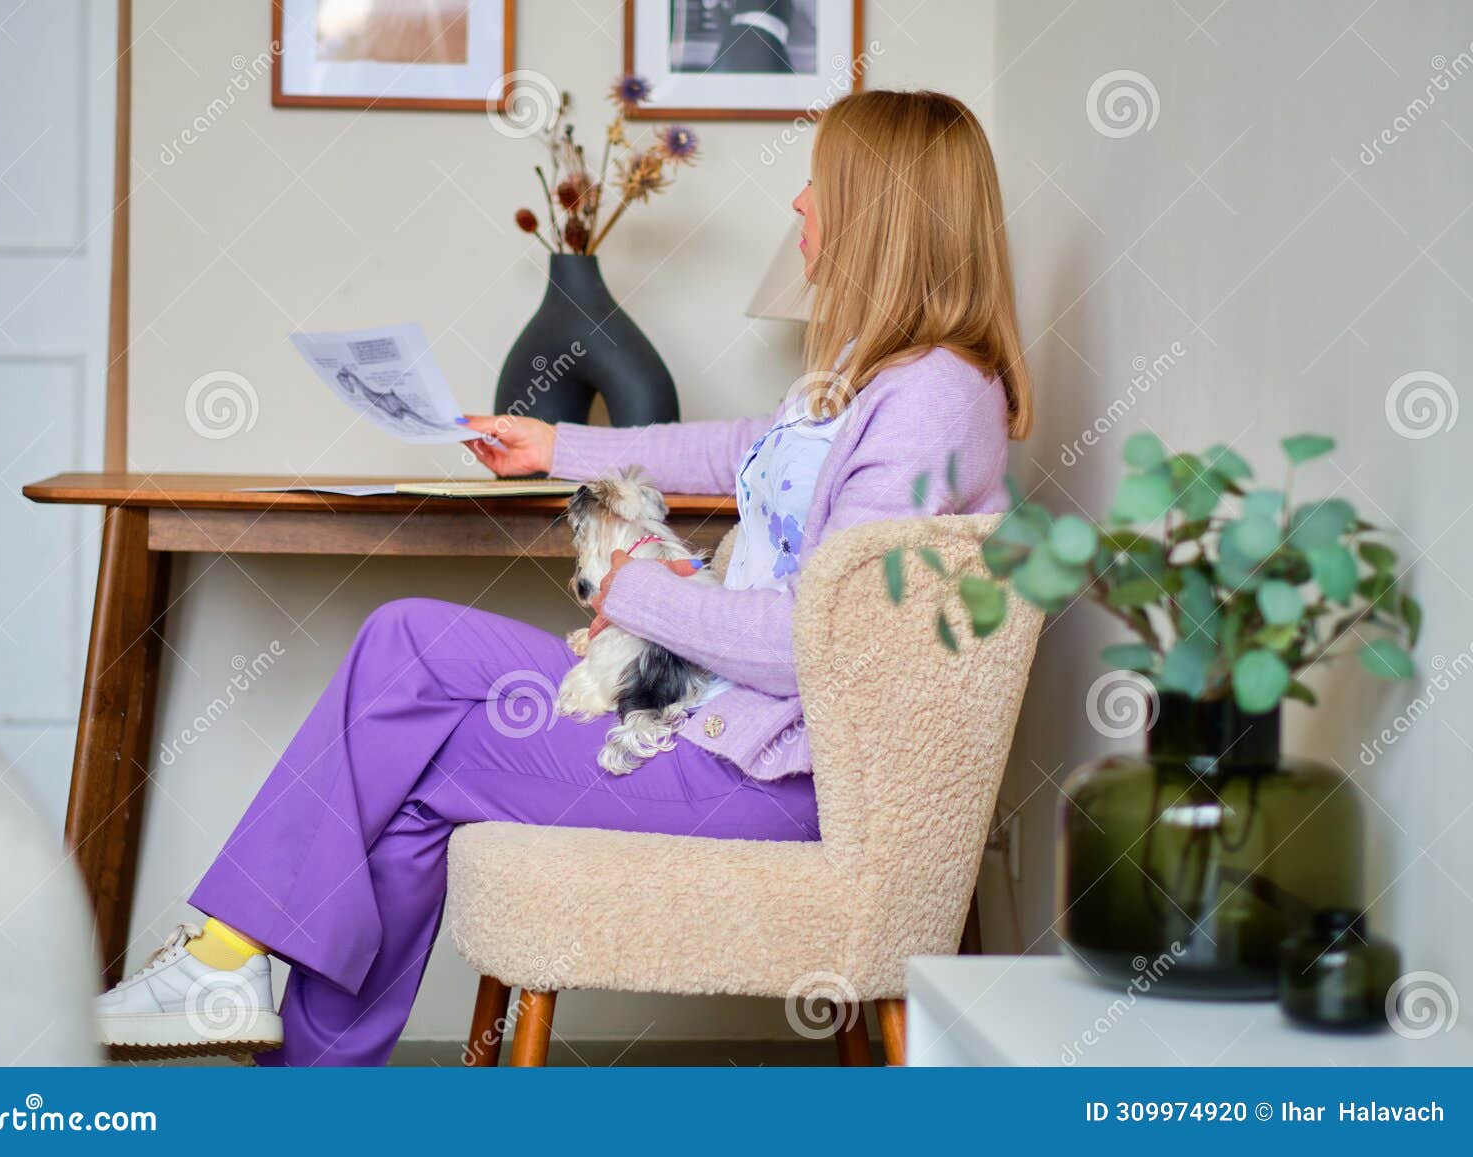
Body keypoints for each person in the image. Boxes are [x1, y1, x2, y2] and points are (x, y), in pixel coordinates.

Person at [93, 90, 1032, 1066]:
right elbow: (737, 448)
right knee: (405, 743)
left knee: (406, 658)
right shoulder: (878, 378)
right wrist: (555, 444)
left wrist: (625, 585)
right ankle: (271, 1029)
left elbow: (816, 643)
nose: (799, 206)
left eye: (820, 185)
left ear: (882, 211)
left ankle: (229, 964)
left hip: (774, 779)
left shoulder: (932, 400)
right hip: (717, 735)